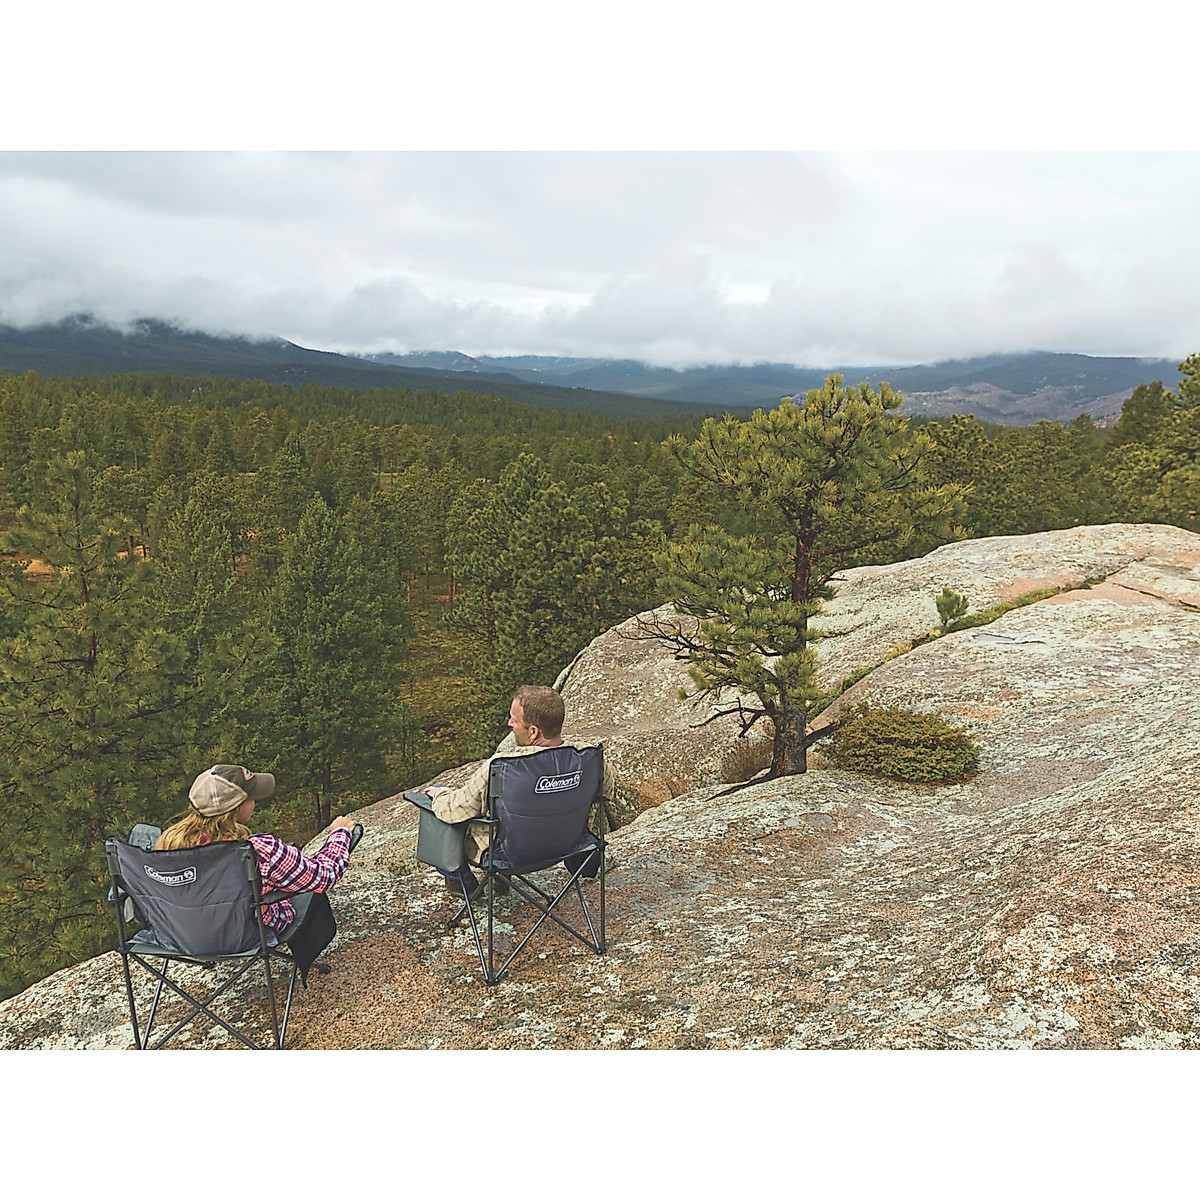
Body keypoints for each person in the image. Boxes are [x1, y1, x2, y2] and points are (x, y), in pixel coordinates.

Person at [425, 685, 616, 898]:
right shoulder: (590, 757)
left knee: (436, 811)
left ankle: (462, 883)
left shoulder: (502, 766)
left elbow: (456, 810)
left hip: (505, 856)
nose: (509, 723)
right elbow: (606, 793)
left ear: (533, 731)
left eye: (514, 720)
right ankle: (501, 880)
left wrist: (439, 795)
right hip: (569, 846)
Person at [156, 764, 356, 937]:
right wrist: (340, 833)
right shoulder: (258, 850)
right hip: (245, 933)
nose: (255, 802)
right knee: (303, 891)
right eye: (251, 797)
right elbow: (324, 876)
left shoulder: (168, 843)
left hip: (183, 934)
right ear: (237, 807)